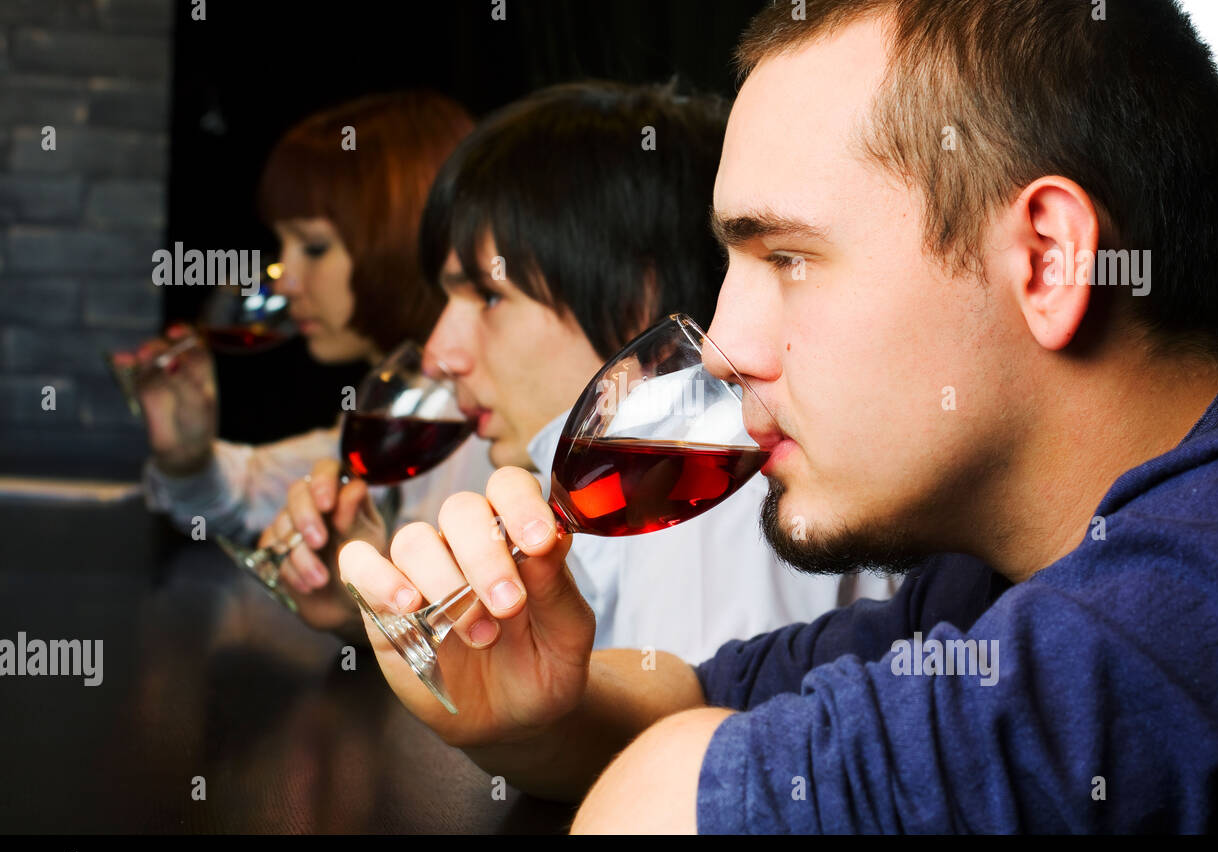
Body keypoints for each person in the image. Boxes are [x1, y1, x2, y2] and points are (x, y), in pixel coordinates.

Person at [339, 0, 1218, 833]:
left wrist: (680, 778)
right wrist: (533, 700)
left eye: (788, 258)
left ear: (1048, 262)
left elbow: (673, 801)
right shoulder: (1002, 564)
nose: (726, 348)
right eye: (731, 262)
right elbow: (695, 703)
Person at [280, 80, 897, 662]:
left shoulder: (704, 511)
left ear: (636, 296)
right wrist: (370, 613)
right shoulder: (610, 489)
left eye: (488, 297)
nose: (440, 352)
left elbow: (693, 752)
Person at [131, 91, 495, 625]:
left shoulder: (492, 429)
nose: (287, 280)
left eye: (314, 247)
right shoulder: (389, 414)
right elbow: (247, 496)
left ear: (403, 238)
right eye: (282, 247)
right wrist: (186, 456)